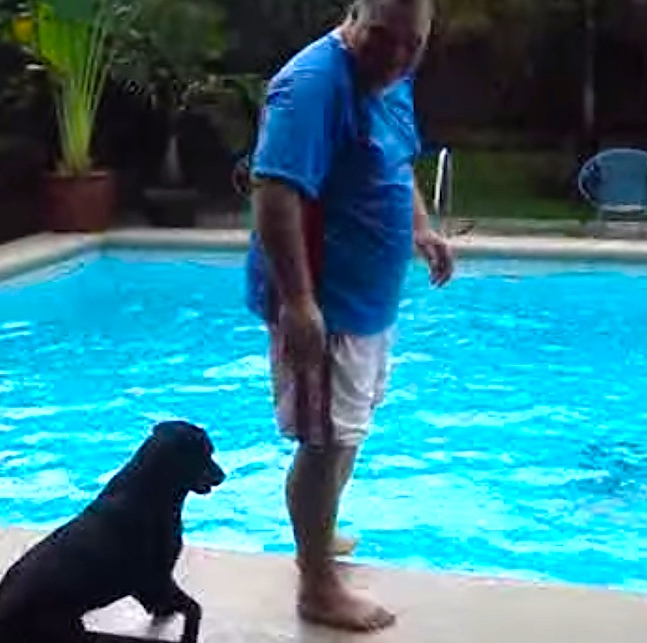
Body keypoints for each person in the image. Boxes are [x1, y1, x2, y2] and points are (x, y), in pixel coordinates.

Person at [243, 0, 454, 633]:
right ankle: (316, 586)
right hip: (324, 305)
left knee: (347, 431)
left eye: (411, 44)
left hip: (366, 303)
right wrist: (301, 304)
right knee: (325, 442)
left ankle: (320, 529)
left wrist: (421, 227)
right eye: (380, 37)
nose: (395, 55)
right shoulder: (309, 87)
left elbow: (394, 159)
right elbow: (275, 195)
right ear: (351, 14)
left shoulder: (392, 75)